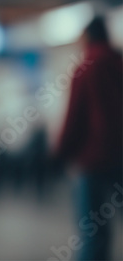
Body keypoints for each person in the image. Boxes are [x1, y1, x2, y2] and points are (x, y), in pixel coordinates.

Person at [54, 15, 123, 261]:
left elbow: (75, 116)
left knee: (93, 232)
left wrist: (60, 153)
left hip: (91, 160)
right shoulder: (119, 64)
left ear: (88, 37)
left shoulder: (86, 68)